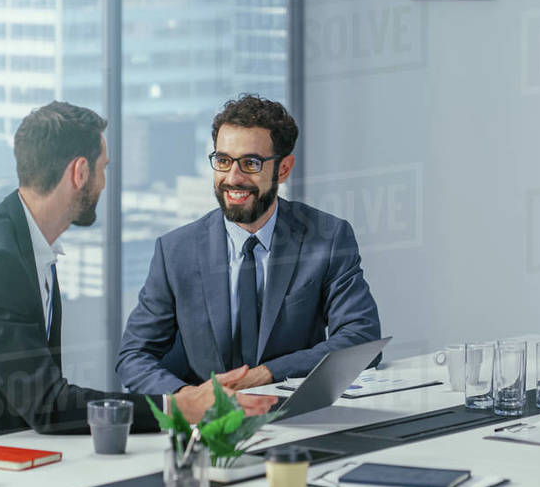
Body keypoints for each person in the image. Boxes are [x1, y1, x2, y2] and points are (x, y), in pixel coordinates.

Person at [0, 101, 275, 435]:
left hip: (22, 445)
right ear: (80, 172)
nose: (104, 183)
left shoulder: (24, 241)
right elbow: (47, 404)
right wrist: (180, 406)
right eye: (103, 169)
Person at [116, 94, 382, 395]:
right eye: (223, 160)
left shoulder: (328, 238)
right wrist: (186, 398)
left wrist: (267, 374)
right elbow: (134, 357)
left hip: (296, 416)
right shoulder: (175, 251)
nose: (233, 177)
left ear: (283, 169)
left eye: (250, 163)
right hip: (209, 426)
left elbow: (363, 339)